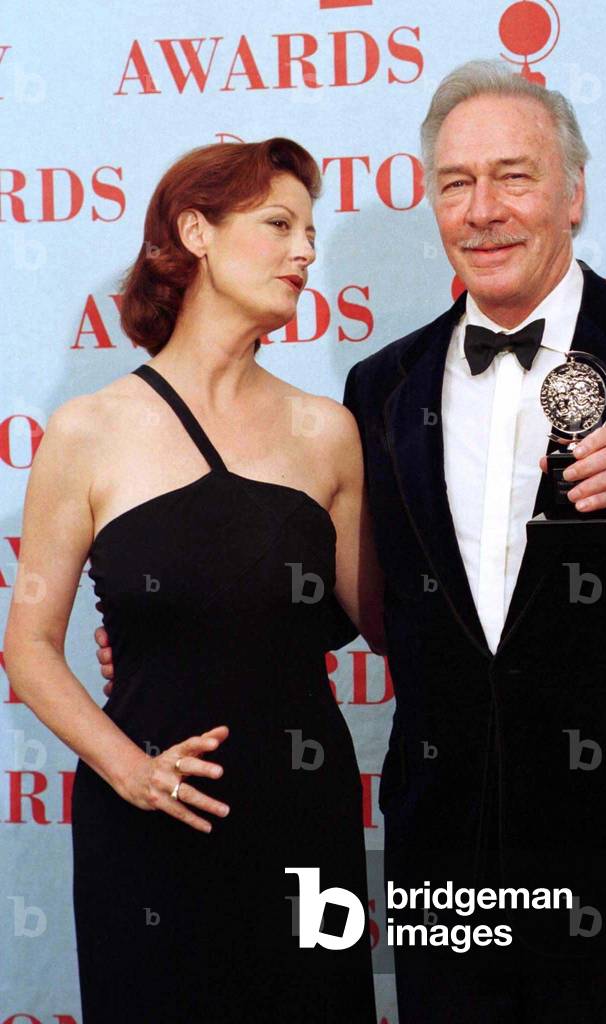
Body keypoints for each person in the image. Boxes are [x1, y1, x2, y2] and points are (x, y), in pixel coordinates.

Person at [336, 61, 606, 1022]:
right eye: (455, 183)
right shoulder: (383, 385)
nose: (482, 210)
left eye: (513, 176)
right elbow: (361, 586)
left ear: (573, 194)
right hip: (446, 868)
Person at [4, 138, 382, 1023]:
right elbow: (27, 646)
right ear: (195, 231)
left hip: (301, 817)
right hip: (148, 825)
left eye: (312, 232)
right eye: (279, 225)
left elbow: (377, 614)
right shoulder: (87, 431)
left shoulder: (327, 431)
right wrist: (129, 772)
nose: (305, 253)